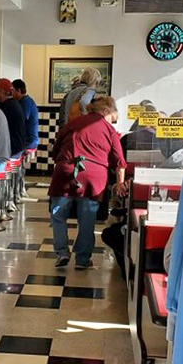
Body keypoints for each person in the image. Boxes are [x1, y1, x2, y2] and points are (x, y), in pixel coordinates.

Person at [48, 96, 127, 269]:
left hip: (65, 171)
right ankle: (82, 259)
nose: (111, 122)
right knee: (86, 219)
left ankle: (61, 253)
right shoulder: (109, 130)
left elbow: (56, 150)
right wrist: (119, 183)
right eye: (111, 118)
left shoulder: (74, 123)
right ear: (106, 111)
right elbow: (120, 163)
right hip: (93, 177)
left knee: (58, 215)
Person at [0, 78, 26, 157]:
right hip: (17, 146)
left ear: (2, 92)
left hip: (12, 148)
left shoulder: (6, 106)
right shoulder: (13, 104)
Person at [11, 79, 39, 150]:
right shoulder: (25, 101)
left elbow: (21, 120)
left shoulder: (25, 102)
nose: (11, 93)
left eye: (12, 90)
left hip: (29, 141)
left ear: (19, 91)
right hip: (29, 140)